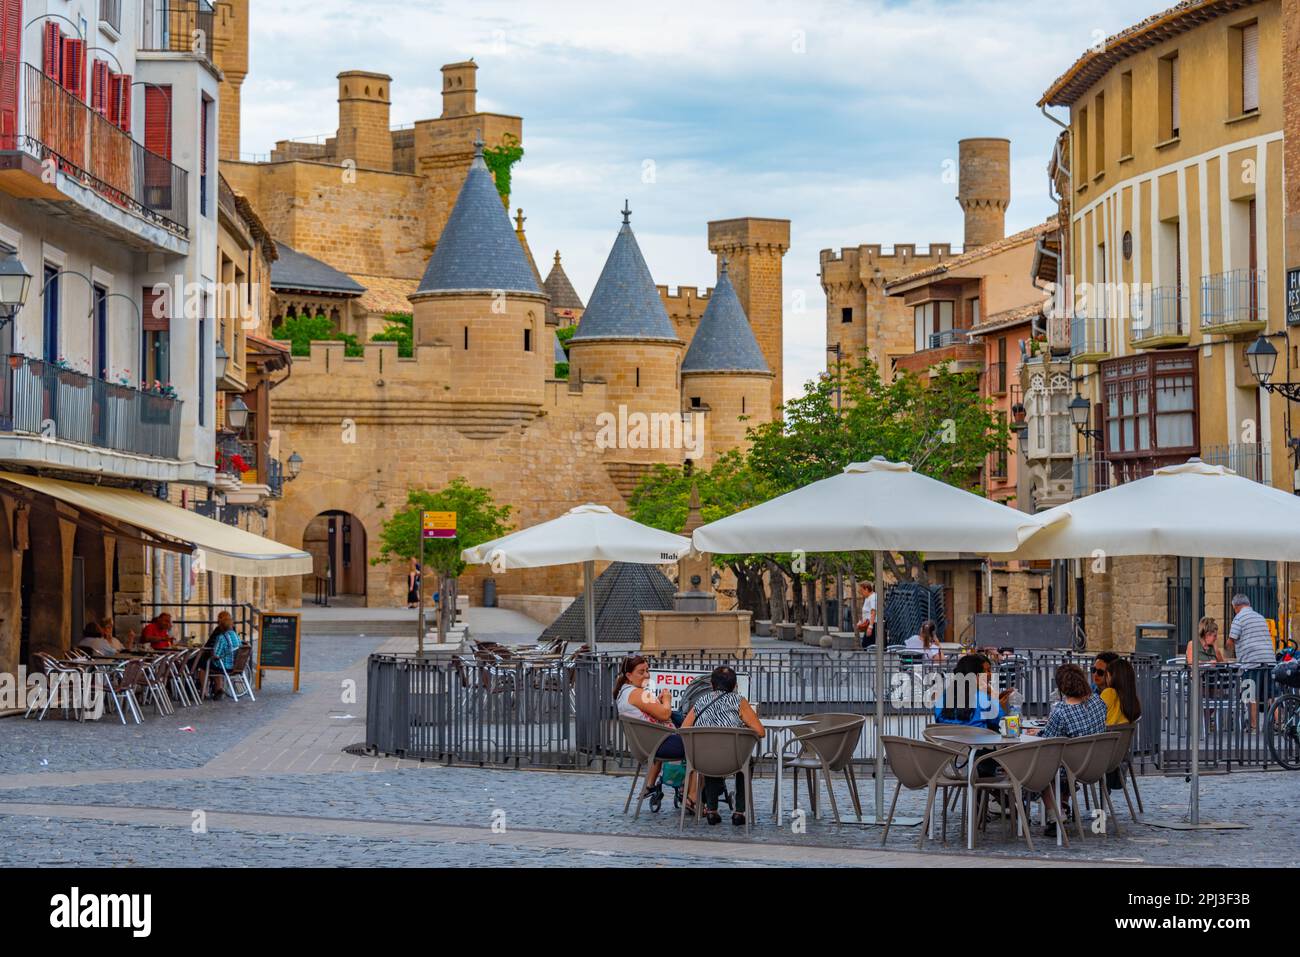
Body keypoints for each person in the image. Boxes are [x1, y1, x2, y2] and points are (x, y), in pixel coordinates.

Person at [1028, 662, 1107, 834]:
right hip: (1095, 764)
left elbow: (1049, 741)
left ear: (1061, 686)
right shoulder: (1098, 701)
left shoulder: (1061, 711)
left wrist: (1036, 734)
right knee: (1060, 761)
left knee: (1041, 769)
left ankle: (1055, 817)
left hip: (1070, 768)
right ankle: (1062, 804)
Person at [681, 665, 765, 826]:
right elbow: (760, 732)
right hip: (733, 760)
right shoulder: (739, 701)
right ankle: (739, 812)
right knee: (746, 762)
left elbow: (684, 729)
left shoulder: (701, 701)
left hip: (703, 760)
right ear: (734, 686)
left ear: (711, 685)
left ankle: (712, 810)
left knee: (711, 759)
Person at [614, 656, 697, 812]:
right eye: (641, 672)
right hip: (659, 745)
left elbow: (653, 712)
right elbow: (665, 714)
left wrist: (659, 703)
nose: (646, 675)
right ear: (629, 675)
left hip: (648, 745)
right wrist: (667, 699)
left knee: (682, 723)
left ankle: (651, 785)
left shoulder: (625, 692)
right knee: (699, 744)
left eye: (647, 670)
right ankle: (691, 796)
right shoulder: (636, 693)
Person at [1228, 595, 1275, 734]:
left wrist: (1226, 651)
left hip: (1250, 662)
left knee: (1250, 695)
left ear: (1236, 606)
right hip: (1269, 660)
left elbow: (1231, 640)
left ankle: (1254, 727)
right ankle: (1279, 724)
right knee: (1271, 695)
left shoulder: (1238, 618)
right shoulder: (1260, 617)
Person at [934, 653, 1008, 729]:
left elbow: (938, 719)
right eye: (988, 670)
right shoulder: (983, 698)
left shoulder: (944, 696)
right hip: (979, 739)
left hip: (945, 740)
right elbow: (999, 723)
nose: (991, 674)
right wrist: (996, 701)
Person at [204, 611, 242, 699]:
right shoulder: (236, 636)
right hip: (236, 666)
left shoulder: (221, 637)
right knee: (216, 663)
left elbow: (216, 654)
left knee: (205, 664)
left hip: (226, 667)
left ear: (221, 626)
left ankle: (206, 691)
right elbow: (240, 647)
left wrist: (212, 653)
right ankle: (218, 689)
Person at [855, 582, 877, 649]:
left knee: (867, 645)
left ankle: (871, 659)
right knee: (866, 644)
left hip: (873, 624)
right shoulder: (868, 597)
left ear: (866, 589)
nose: (861, 593)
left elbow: (873, 612)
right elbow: (866, 612)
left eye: (861, 590)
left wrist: (870, 627)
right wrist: (861, 621)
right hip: (869, 624)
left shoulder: (873, 598)